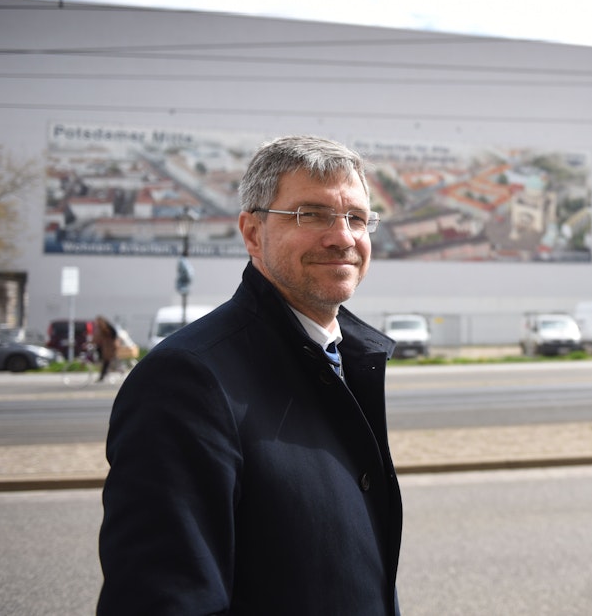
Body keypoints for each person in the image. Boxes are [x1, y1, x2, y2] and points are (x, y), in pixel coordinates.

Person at [98, 136, 402, 615]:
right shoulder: (187, 381)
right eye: (311, 214)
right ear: (253, 233)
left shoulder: (347, 359)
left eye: (357, 218)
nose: (343, 237)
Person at [93, 315, 118, 382]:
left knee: (106, 362)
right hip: (104, 348)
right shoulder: (102, 328)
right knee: (106, 362)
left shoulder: (106, 329)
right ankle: (104, 375)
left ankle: (102, 376)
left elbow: (113, 336)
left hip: (108, 348)